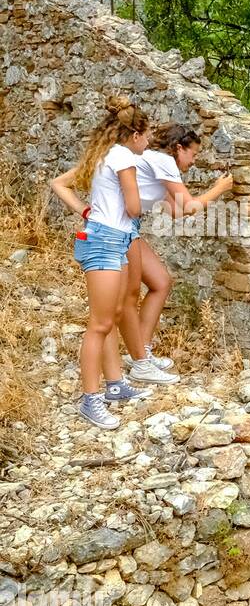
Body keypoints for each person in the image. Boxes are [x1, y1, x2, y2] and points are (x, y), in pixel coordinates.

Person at [48, 96, 156, 430]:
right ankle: (90, 401)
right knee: (99, 324)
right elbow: (135, 208)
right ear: (135, 134)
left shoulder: (103, 154)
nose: (150, 140)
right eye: (148, 134)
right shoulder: (123, 156)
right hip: (106, 241)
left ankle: (115, 385)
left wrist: (87, 211)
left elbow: (58, 184)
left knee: (113, 316)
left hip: (111, 238)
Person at [125, 123, 233, 376]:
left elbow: (176, 211)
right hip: (118, 228)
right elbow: (190, 207)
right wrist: (219, 189)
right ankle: (140, 363)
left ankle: (141, 352)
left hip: (129, 228)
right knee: (127, 298)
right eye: (192, 154)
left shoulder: (157, 165)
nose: (193, 161)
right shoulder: (162, 161)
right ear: (178, 148)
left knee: (161, 282)